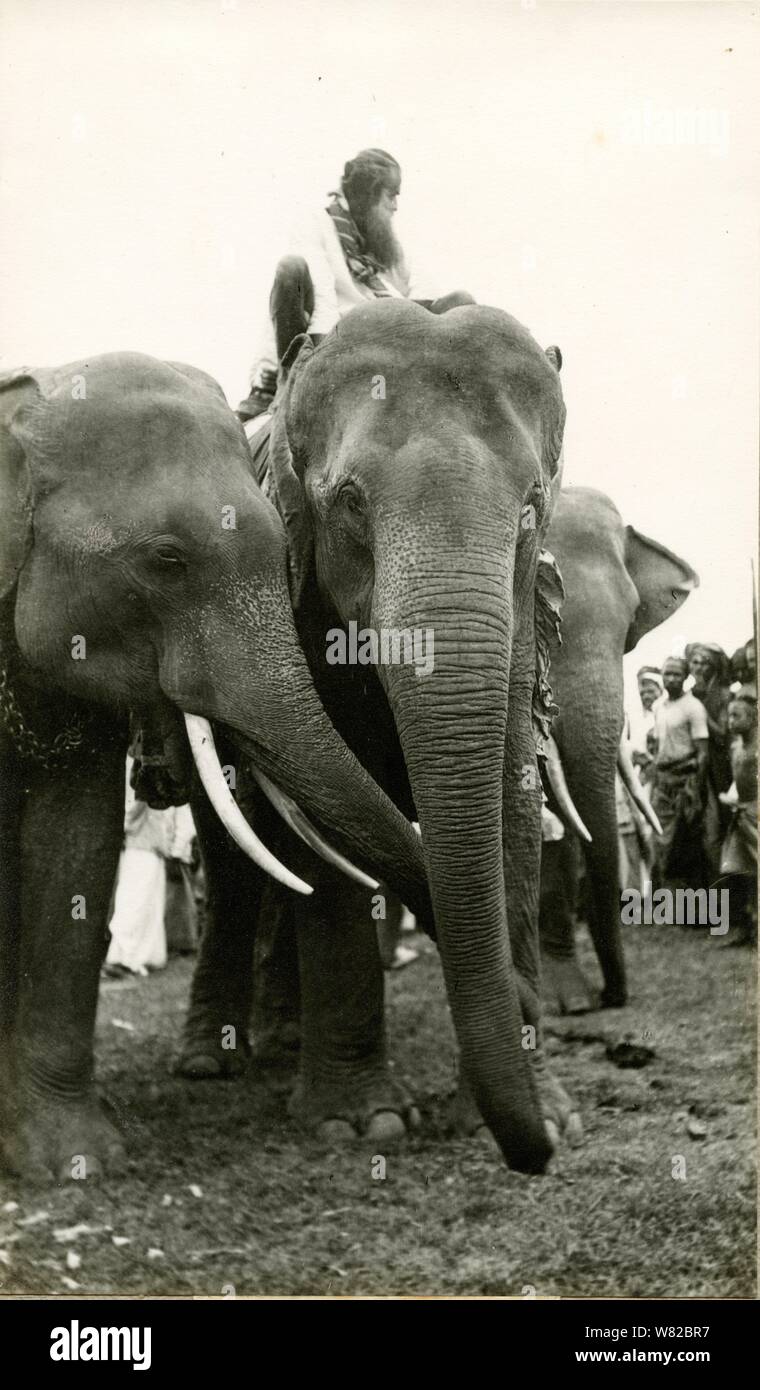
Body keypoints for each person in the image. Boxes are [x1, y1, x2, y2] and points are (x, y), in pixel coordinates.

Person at [237, 148, 473, 434]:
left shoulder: (382, 241)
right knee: (291, 269)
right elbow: (321, 296)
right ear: (368, 195)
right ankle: (284, 387)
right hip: (326, 342)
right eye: (391, 195)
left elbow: (422, 286)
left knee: (461, 303)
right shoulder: (315, 223)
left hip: (381, 339)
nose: (395, 205)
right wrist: (322, 366)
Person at [650, 656, 709, 888]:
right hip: (662, 779)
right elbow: (657, 744)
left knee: (684, 842)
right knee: (660, 838)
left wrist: (695, 787)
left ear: (685, 677)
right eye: (667, 673)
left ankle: (691, 909)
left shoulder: (693, 707)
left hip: (684, 779)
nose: (671, 678)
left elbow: (703, 752)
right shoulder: (658, 706)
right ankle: (666, 901)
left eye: (676, 674)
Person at [686, 642, 733, 877]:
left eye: (705, 661)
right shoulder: (689, 694)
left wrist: (699, 711)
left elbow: (723, 733)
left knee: (717, 827)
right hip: (695, 767)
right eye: (695, 661)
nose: (699, 666)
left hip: (718, 768)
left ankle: (724, 883)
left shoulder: (724, 693)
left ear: (714, 664)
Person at [719, 687, 757, 943]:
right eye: (729, 716)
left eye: (737, 716)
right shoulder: (735, 747)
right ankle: (747, 927)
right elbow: (738, 781)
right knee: (739, 870)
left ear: (753, 718)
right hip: (741, 816)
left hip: (755, 815)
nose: (731, 722)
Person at [629, 666, 663, 787]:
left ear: (660, 690)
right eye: (643, 693)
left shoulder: (665, 713)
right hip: (639, 774)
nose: (646, 696)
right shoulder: (634, 716)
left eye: (651, 691)